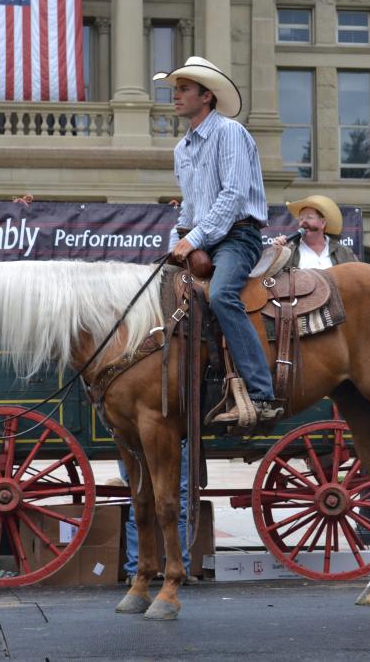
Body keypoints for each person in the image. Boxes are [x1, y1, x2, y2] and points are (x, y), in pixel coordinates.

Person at [154, 56, 282, 426]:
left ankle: (262, 394)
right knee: (167, 296)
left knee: (222, 294)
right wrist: (176, 243)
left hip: (238, 236)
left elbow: (233, 196)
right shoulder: (183, 148)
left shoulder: (229, 133)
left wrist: (193, 238)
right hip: (204, 240)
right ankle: (208, 383)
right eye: (175, 89)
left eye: (184, 89)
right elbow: (189, 209)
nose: (175, 95)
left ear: (206, 96)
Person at [116, 442, 193, 585]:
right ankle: (180, 566)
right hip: (175, 440)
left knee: (139, 498)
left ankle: (136, 570)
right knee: (179, 499)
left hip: (133, 441)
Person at [272, 196, 358, 269]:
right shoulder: (289, 251)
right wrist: (277, 254)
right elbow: (270, 281)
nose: (303, 222)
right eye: (301, 219)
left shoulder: (344, 252)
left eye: (309, 217)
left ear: (323, 223)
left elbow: (356, 280)